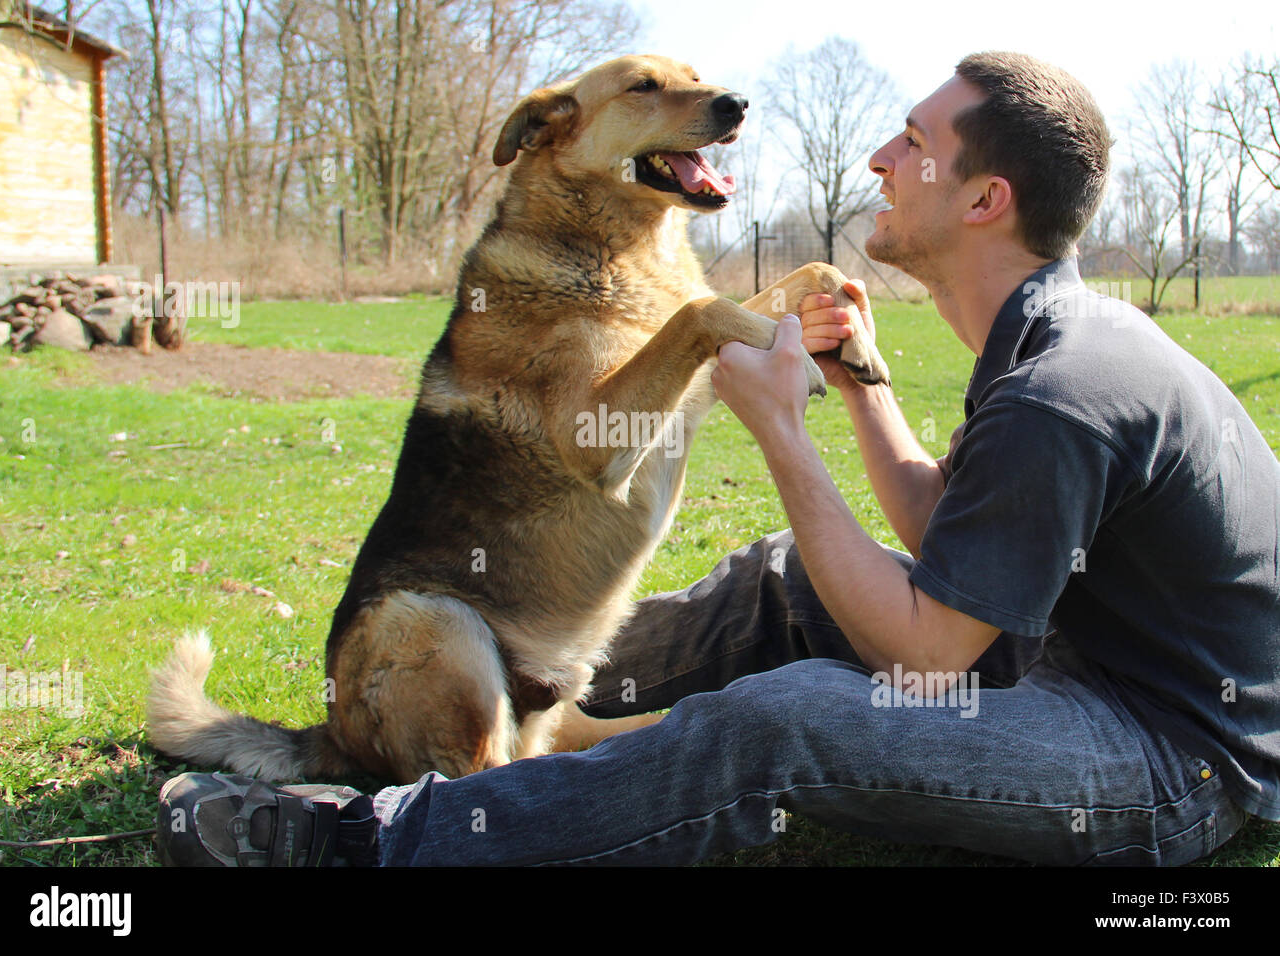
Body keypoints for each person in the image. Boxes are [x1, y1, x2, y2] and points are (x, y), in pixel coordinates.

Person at [155, 51, 1280, 867]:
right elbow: (957, 540)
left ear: (985, 200)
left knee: (781, 719)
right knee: (782, 578)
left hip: (1164, 757)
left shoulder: (1060, 390)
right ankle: (513, 702)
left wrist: (782, 431)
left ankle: (376, 838)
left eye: (914, 145)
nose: (880, 158)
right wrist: (862, 387)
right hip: (1059, 656)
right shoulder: (1045, 335)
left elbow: (933, 640)